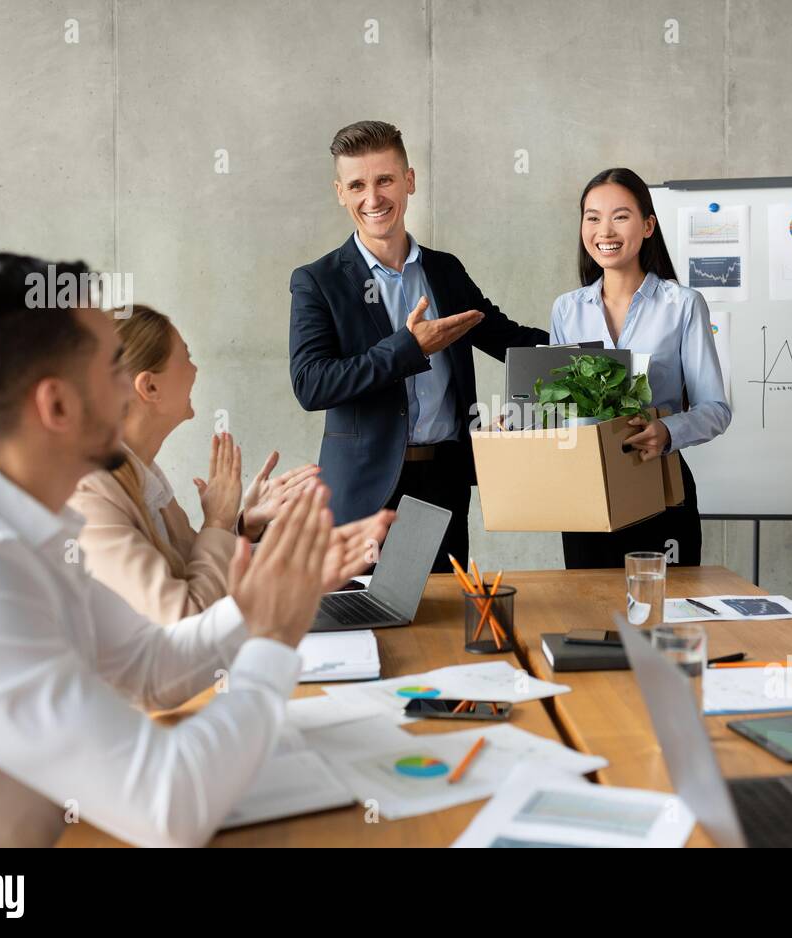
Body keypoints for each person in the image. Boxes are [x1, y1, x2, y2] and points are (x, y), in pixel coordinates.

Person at [0, 253, 370, 847]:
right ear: (56, 406)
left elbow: (147, 668)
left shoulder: (29, 526)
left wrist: (260, 610)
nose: (131, 386)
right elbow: (169, 806)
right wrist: (272, 642)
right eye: (113, 367)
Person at [288, 120, 548, 572]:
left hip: (443, 481)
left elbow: (507, 340)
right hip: (364, 491)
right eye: (357, 185)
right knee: (365, 626)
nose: (373, 198)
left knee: (443, 622)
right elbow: (311, 384)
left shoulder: (445, 271)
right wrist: (409, 348)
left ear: (408, 181)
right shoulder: (318, 280)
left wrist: (601, 350)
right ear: (340, 192)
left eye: (385, 180)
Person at [70, 304, 392, 623]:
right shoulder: (90, 496)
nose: (195, 370)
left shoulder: (144, 477)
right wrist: (218, 522)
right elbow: (186, 619)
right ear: (150, 386)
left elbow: (195, 567)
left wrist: (244, 526)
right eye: (187, 356)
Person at [548, 167, 730, 568]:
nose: (605, 231)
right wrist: (524, 416)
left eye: (620, 216)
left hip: (660, 488)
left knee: (664, 620)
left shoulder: (683, 304)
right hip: (587, 493)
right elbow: (561, 407)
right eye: (592, 217)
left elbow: (715, 409)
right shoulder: (567, 309)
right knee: (591, 625)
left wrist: (667, 431)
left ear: (648, 225)